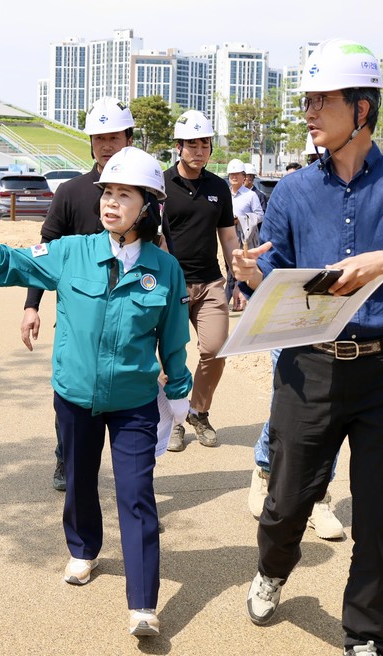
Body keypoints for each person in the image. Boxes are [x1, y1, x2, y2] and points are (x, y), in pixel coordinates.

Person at [231, 39, 383, 656]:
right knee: (286, 500)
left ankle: (364, 631)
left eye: (322, 100)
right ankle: (272, 569)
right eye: (306, 100)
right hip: (307, 368)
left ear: (362, 109)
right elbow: (274, 270)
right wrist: (250, 274)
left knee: (378, 512)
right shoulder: (292, 192)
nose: (309, 112)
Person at [0, 146, 192, 638]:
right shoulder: (72, 252)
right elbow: (11, 265)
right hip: (75, 395)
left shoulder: (165, 269)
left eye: (124, 195)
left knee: (137, 495)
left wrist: (178, 390)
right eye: (107, 193)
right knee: (79, 479)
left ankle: (142, 605)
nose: (111, 203)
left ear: (148, 207)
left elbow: (174, 338)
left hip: (135, 401)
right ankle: (84, 549)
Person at [20, 97, 135, 492]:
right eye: (99, 138)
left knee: (131, 393)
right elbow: (44, 254)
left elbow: (161, 252)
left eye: (114, 137)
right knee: (71, 390)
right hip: (78, 314)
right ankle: (65, 456)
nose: (107, 145)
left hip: (131, 313)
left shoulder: (147, 193)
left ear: (129, 139)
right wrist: (31, 306)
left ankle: (131, 473)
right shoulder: (70, 192)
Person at [162, 109, 238, 452]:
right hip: (171, 284)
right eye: (191, 145)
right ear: (178, 147)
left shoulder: (219, 187)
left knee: (216, 349)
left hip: (209, 283)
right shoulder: (161, 184)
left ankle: (198, 411)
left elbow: (228, 237)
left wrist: (238, 278)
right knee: (171, 356)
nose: (199, 151)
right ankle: (175, 419)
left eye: (204, 144)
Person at [247, 346, 345, 540]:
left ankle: (317, 497)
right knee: (287, 410)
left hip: (336, 338)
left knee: (331, 409)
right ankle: (266, 470)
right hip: (291, 333)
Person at [225, 158, 263, 312]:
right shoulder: (224, 194)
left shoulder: (251, 195)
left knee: (240, 271)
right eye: (231, 174)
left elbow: (260, 215)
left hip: (244, 238)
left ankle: (233, 303)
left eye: (237, 174)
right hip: (226, 237)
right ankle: (232, 303)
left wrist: (241, 219)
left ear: (243, 176)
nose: (234, 177)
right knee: (229, 269)